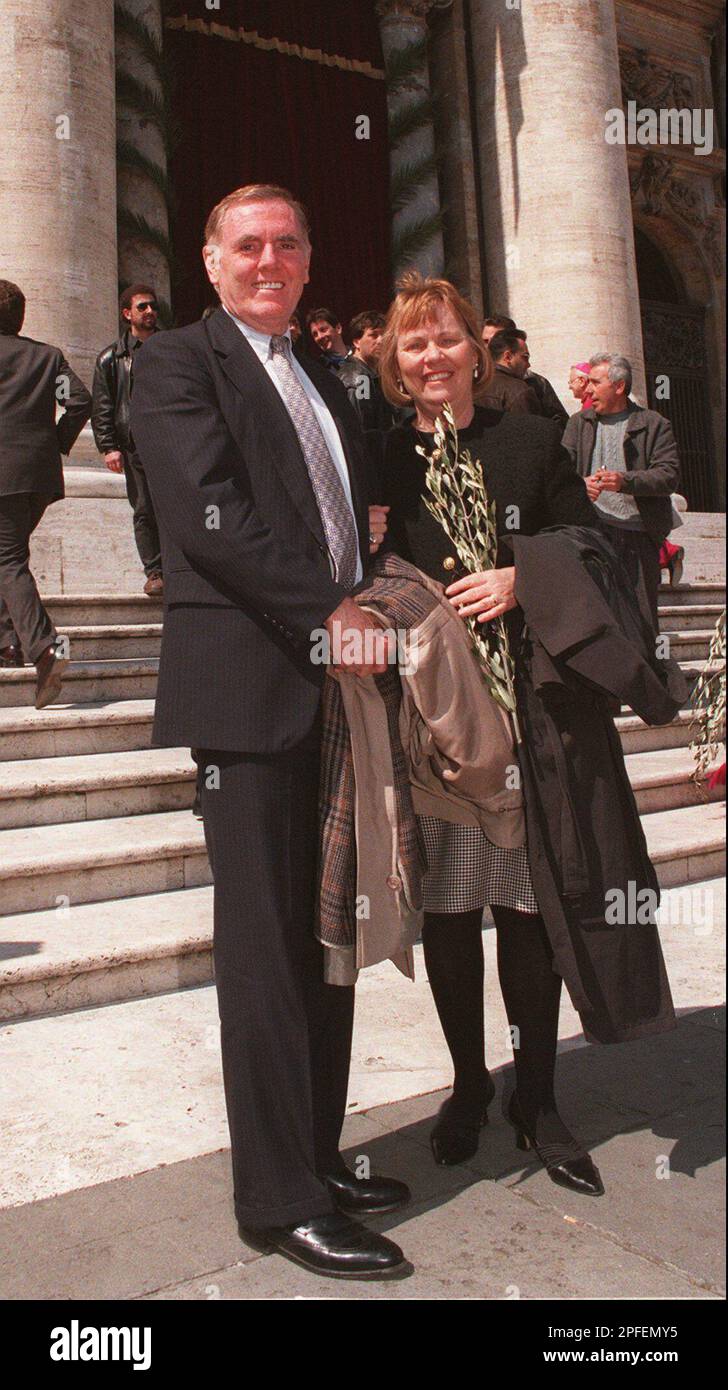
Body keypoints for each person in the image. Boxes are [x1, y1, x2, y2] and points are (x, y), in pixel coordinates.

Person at [130, 183, 410, 1282]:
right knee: (260, 953)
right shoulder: (175, 363)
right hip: (249, 690)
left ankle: (319, 1152)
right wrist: (328, 611)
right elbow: (209, 514)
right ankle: (276, 1196)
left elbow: (349, 516)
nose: (268, 259)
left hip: (335, 685)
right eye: (247, 244)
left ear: (306, 261)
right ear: (210, 261)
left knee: (324, 934)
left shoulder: (329, 380)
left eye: (288, 243)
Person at [375, 273, 677, 1195]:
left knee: (532, 908)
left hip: (534, 712)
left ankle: (538, 1097)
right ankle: (471, 1084)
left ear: (477, 349)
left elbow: (594, 546)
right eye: (412, 344)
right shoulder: (381, 458)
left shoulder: (536, 440)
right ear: (394, 362)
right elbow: (358, 557)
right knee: (453, 915)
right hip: (440, 719)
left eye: (447, 340)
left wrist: (519, 579)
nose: (432, 357)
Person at [0, 279, 91, 706]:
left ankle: (44, 646)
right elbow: (79, 402)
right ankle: (10, 644)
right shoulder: (45, 357)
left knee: (7, 559)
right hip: (38, 476)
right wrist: (54, 442)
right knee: (9, 554)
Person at [562, 353, 680, 631]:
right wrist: (581, 485)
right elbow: (559, 470)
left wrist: (624, 481)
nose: (587, 389)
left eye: (595, 382)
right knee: (597, 616)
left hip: (638, 537)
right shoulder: (578, 423)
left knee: (642, 619)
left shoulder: (654, 424)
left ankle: (651, 672)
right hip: (592, 534)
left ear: (618, 386)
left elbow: (668, 475)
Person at [91, 285, 164, 597]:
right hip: (134, 444)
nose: (150, 312)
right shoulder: (111, 357)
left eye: (152, 306)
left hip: (170, 441)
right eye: (142, 307)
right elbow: (102, 405)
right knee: (145, 507)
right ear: (127, 314)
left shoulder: (171, 346)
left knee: (175, 506)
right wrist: (108, 446)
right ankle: (155, 572)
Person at [483, 317, 567, 427]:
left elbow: (560, 421)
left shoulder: (536, 383)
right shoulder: (470, 381)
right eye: (485, 341)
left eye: (497, 339)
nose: (490, 346)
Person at [336, 310, 396, 432]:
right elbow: (362, 430)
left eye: (384, 335)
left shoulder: (367, 373)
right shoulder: (360, 378)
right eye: (374, 335)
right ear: (356, 342)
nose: (381, 340)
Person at [480, 328, 541, 414]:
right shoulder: (519, 390)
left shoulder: (472, 387)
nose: (528, 365)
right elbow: (530, 426)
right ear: (508, 357)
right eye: (525, 357)